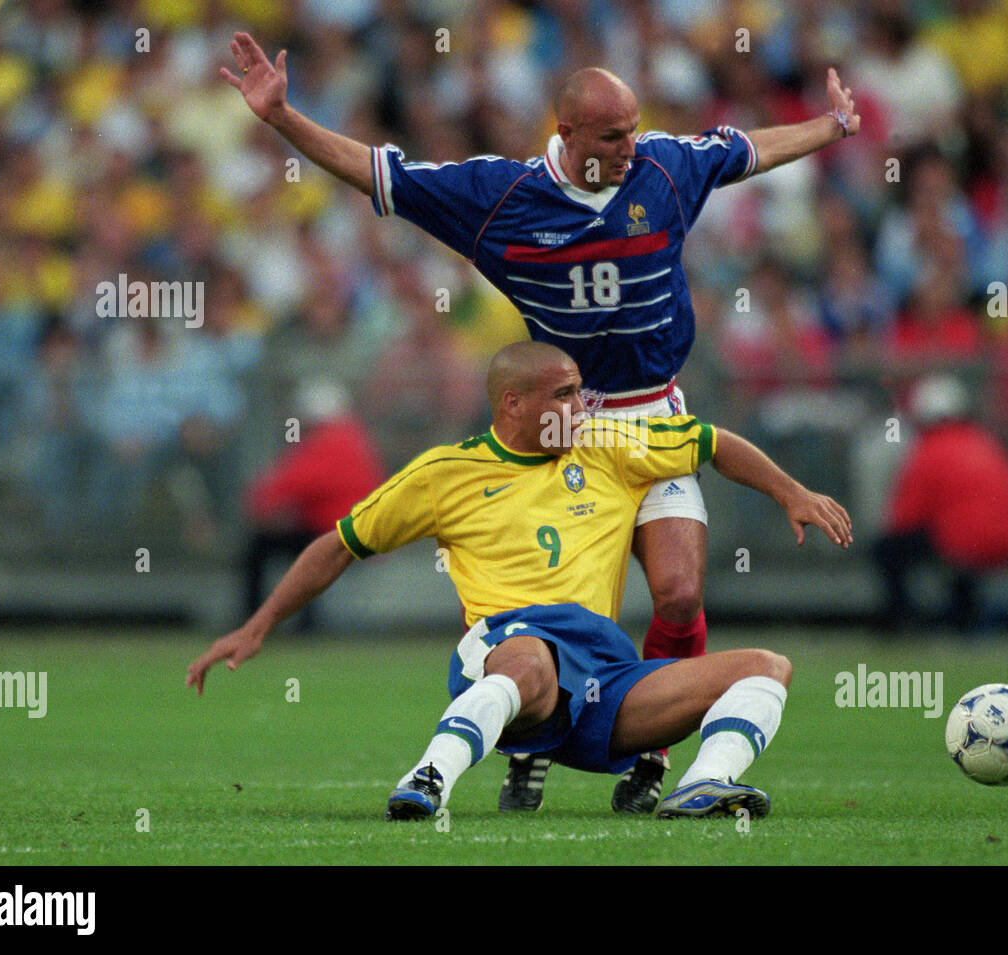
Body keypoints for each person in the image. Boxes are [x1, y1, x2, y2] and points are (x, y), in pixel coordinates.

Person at [219, 31, 860, 811]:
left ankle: (652, 757)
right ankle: (530, 738)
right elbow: (380, 175)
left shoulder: (664, 166)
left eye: (635, 129)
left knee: (682, 595)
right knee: (551, 603)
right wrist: (283, 119)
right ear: (568, 136)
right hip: (562, 424)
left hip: (650, 412)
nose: (633, 145)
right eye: (614, 135)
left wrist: (831, 129)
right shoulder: (498, 197)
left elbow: (747, 150)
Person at [186, 341, 852, 820]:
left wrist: (791, 491)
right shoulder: (446, 472)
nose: (579, 403)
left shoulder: (609, 444)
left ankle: (703, 787)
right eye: (563, 393)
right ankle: (429, 777)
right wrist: (257, 625)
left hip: (605, 680)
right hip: (511, 647)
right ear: (514, 403)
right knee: (534, 658)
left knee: (766, 667)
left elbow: (713, 442)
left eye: (579, 390)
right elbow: (337, 545)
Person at [873, 375, 1008, 633]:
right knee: (955, 546)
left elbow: (903, 519)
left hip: (966, 544)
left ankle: (902, 622)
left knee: (886, 549)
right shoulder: (988, 443)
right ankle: (962, 616)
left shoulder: (930, 450)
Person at [242, 378, 386, 630]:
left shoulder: (330, 441)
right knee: (301, 551)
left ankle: (258, 620)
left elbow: (290, 482)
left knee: (260, 549)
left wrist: (261, 504)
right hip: (344, 531)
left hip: (335, 533)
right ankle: (304, 623)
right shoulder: (353, 438)